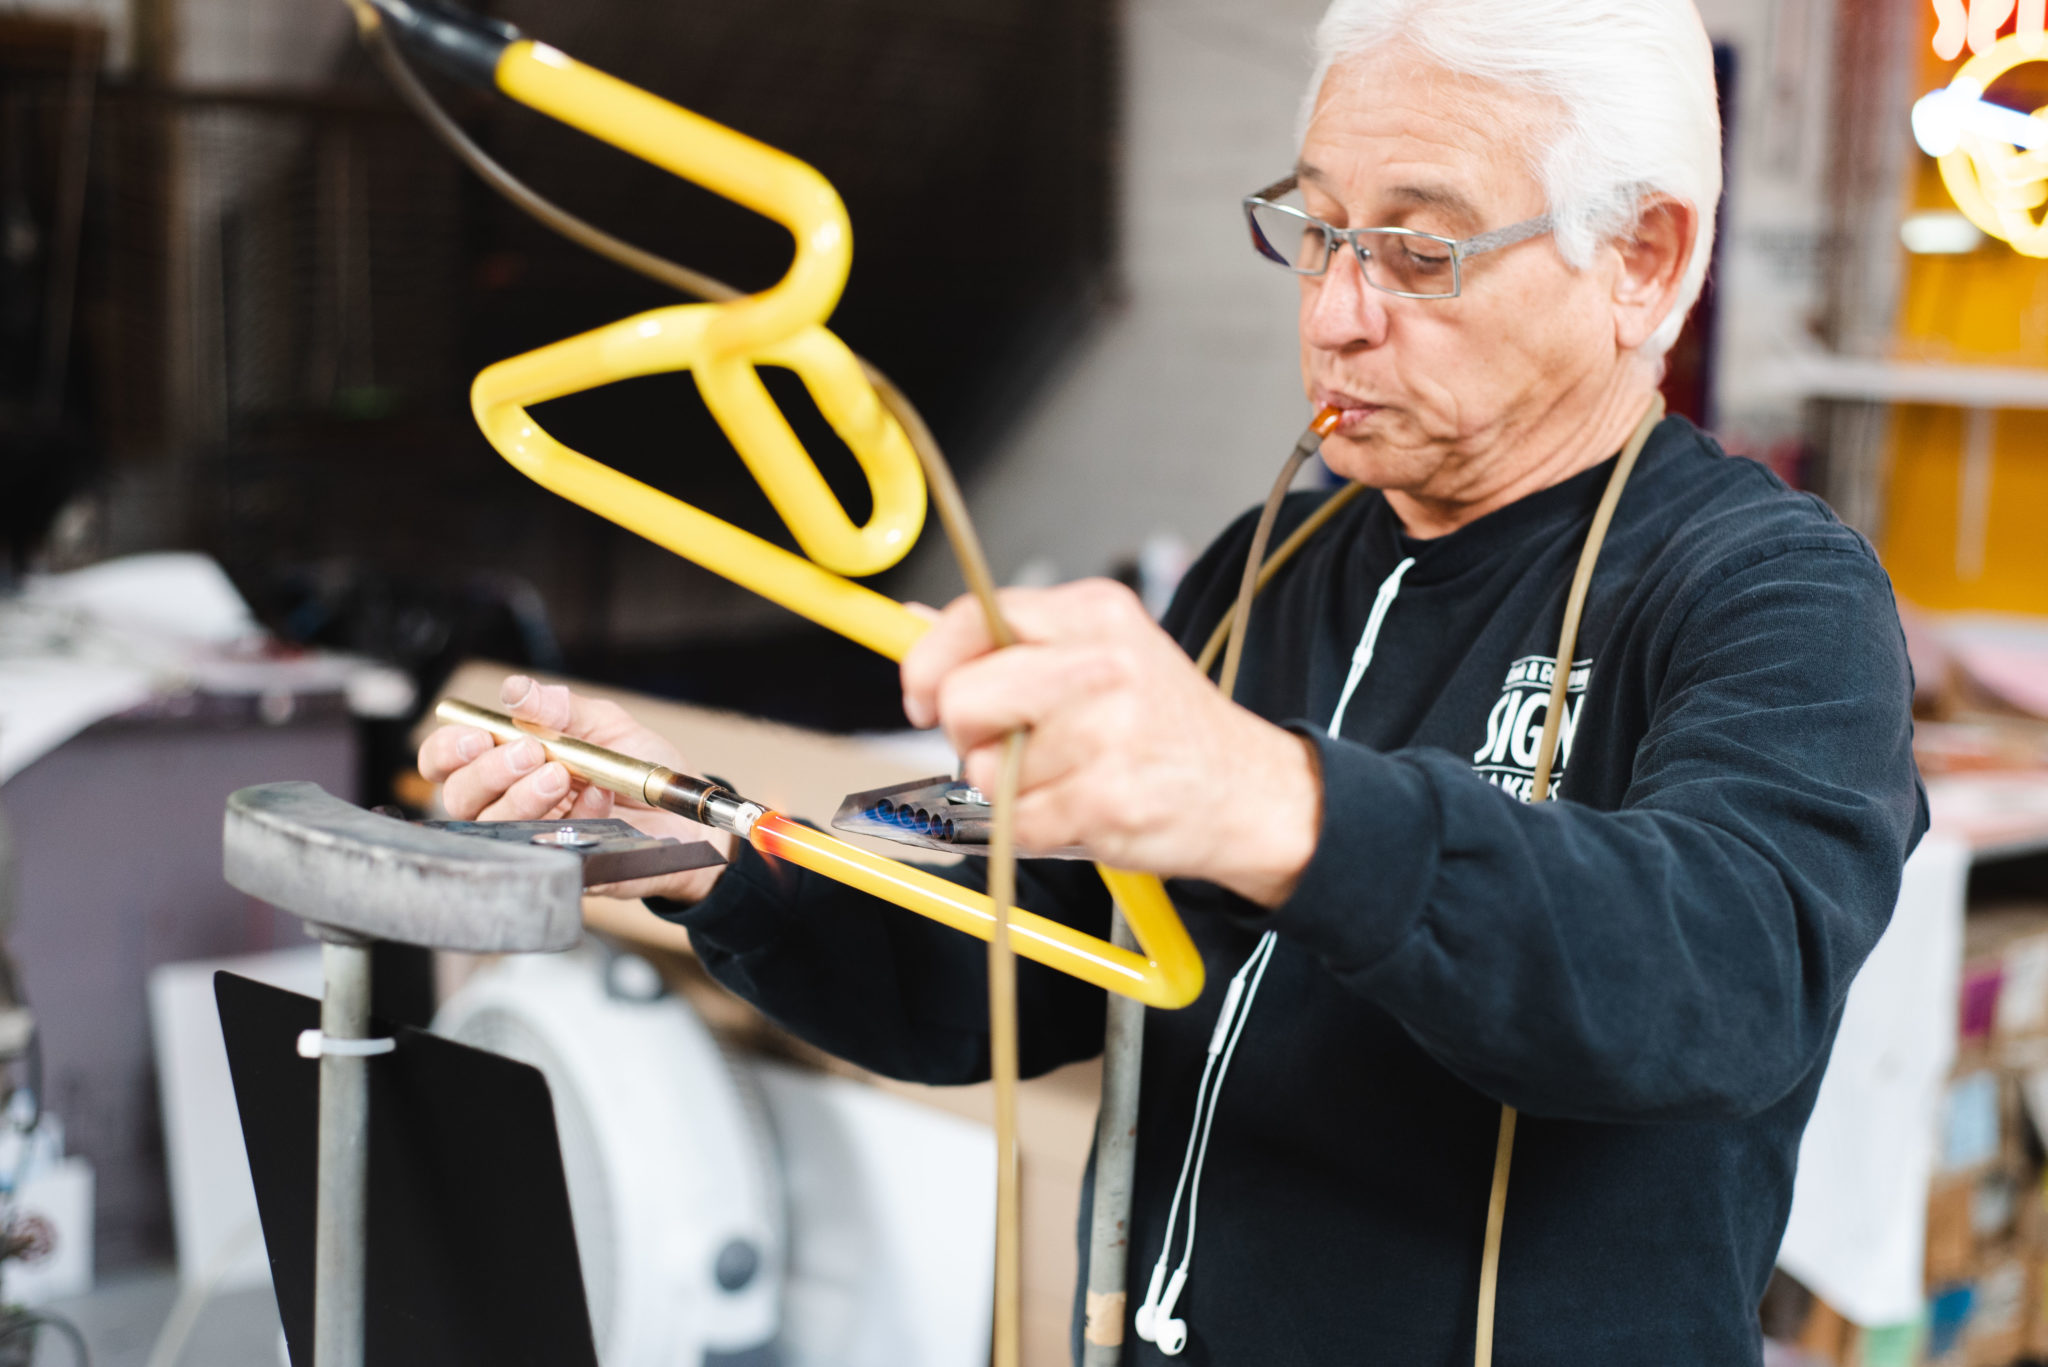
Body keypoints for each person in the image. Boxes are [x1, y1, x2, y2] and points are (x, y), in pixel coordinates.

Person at [419, 0, 1924, 1360]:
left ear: (1641, 260)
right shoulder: (1266, 565)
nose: (1336, 310)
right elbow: (1027, 961)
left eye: (1419, 249)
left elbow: (1728, 975)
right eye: (1317, 229)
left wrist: (1269, 801)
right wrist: (704, 849)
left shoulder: (1764, 593)